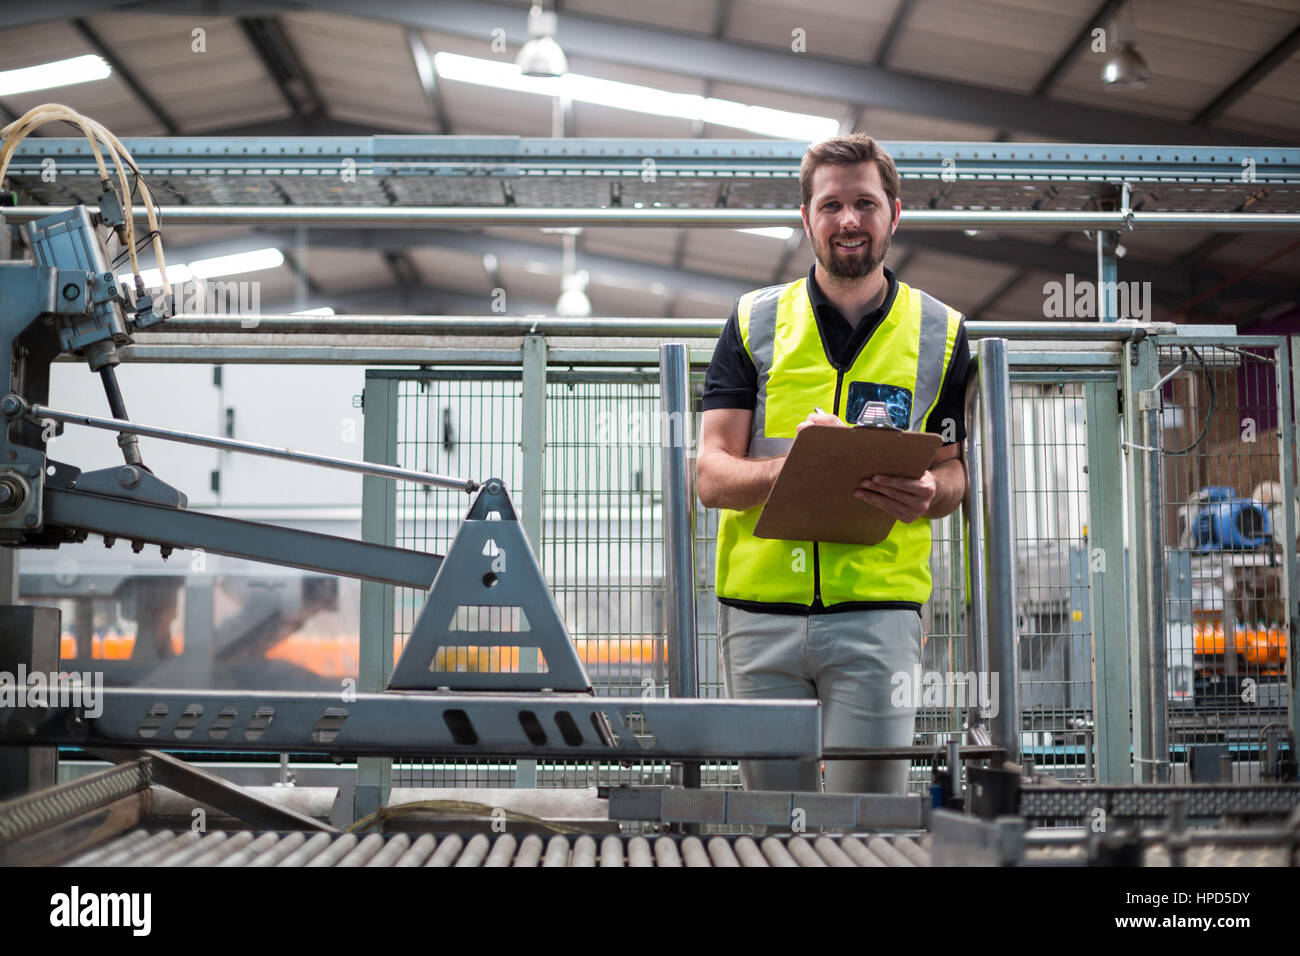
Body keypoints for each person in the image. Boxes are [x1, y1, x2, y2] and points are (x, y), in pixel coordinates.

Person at [696, 134, 970, 795]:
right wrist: (802, 469)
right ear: (807, 219)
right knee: (773, 825)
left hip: (877, 614)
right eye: (832, 205)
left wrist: (932, 489)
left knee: (868, 822)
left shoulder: (943, 332)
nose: (849, 220)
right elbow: (710, 474)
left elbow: (956, 471)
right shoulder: (753, 323)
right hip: (760, 613)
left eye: (865, 203)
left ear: (894, 214)